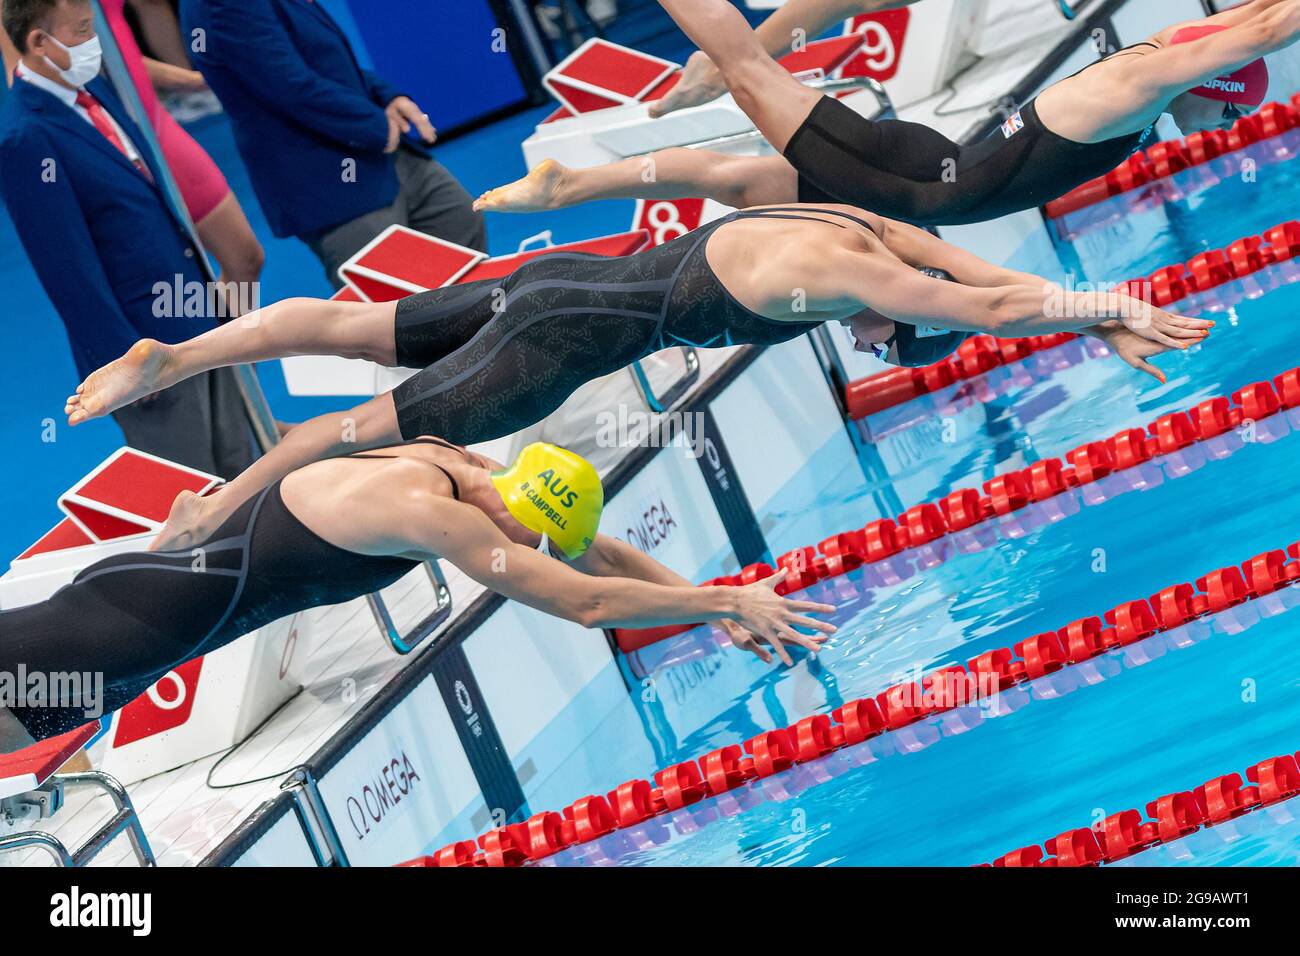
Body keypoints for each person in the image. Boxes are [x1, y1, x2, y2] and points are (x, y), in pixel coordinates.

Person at [68, 202, 1212, 550]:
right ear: (885, 320)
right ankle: (204, 511)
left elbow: (958, 257)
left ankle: (177, 347)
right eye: (877, 340)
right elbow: (987, 300)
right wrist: (1107, 303)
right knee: (355, 427)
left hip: (560, 276)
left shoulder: (849, 229)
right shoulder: (847, 284)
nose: (865, 345)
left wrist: (1096, 326)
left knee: (354, 323)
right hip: (556, 349)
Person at [0, 439, 837, 751]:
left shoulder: (456, 462)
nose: (517, 554)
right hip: (103, 641)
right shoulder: (433, 515)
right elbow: (584, 603)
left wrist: (714, 595)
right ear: (515, 507)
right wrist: (724, 608)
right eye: (525, 538)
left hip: (129, 610)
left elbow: (596, 551)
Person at [476, 0, 1296, 225]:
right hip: (908, 181)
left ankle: (570, 185)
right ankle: (701, 75)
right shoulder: (1144, 84)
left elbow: (1240, 25)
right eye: (1230, 114)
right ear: (1216, 86)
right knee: (742, 65)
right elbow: (1262, 26)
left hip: (919, 167)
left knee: (751, 182)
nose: (1225, 131)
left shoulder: (1144, 86)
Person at [0, 0, 257, 477]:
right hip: (142, 351)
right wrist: (124, 362)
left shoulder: (92, 87)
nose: (93, 42)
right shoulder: (25, 140)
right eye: (80, 31)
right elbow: (68, 272)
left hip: (192, 312)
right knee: (189, 488)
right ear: (38, 43)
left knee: (239, 468)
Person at [179, 0, 486, 287]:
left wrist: (387, 96)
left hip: (380, 154)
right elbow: (288, 86)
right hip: (328, 181)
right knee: (390, 304)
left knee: (460, 226)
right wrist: (376, 126)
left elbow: (326, 60)